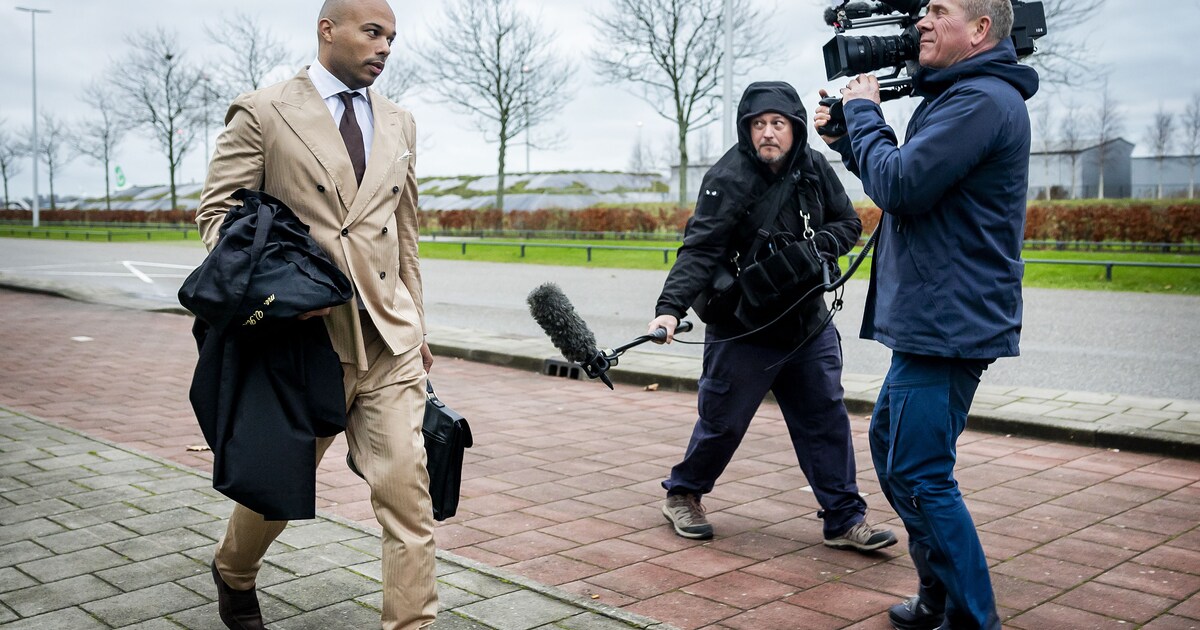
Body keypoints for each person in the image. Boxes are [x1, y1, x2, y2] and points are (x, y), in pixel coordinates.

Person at [194, 0, 437, 628]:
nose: (385, 47)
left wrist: (419, 323)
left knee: (407, 499)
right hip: (302, 343)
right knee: (281, 481)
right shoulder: (265, 112)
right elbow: (220, 220)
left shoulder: (401, 123)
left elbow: (401, 231)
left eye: (392, 37)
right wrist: (279, 292)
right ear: (328, 31)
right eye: (373, 32)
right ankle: (235, 569)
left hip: (388, 338)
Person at [814, 0, 1039, 628]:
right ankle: (938, 597)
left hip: (950, 322)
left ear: (981, 29)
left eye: (938, 10)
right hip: (937, 318)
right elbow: (901, 183)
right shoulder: (962, 98)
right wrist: (849, 138)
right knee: (893, 451)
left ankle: (971, 620)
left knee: (921, 472)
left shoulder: (982, 102)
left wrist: (864, 111)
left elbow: (902, 187)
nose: (921, 22)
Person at [648, 81, 897, 553]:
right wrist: (668, 310)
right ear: (747, 130)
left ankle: (844, 519)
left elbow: (847, 223)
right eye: (758, 124)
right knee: (722, 423)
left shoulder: (813, 167)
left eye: (777, 124)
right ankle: (683, 494)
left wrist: (811, 251)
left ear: (795, 128)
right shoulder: (728, 176)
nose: (768, 133)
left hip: (807, 323)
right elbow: (700, 249)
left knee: (825, 420)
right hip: (744, 327)